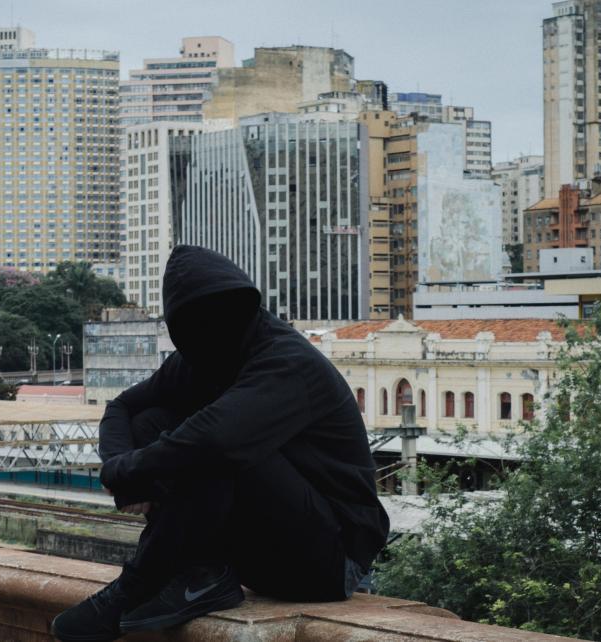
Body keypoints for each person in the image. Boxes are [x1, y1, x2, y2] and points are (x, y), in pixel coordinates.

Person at [52, 245, 389, 641]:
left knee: (214, 446)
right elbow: (123, 406)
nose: (208, 332)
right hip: (265, 552)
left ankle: (135, 587)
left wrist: (126, 471)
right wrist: (120, 467)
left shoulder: (287, 361)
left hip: (331, 561)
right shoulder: (202, 357)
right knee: (151, 422)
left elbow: (214, 440)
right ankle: (201, 574)